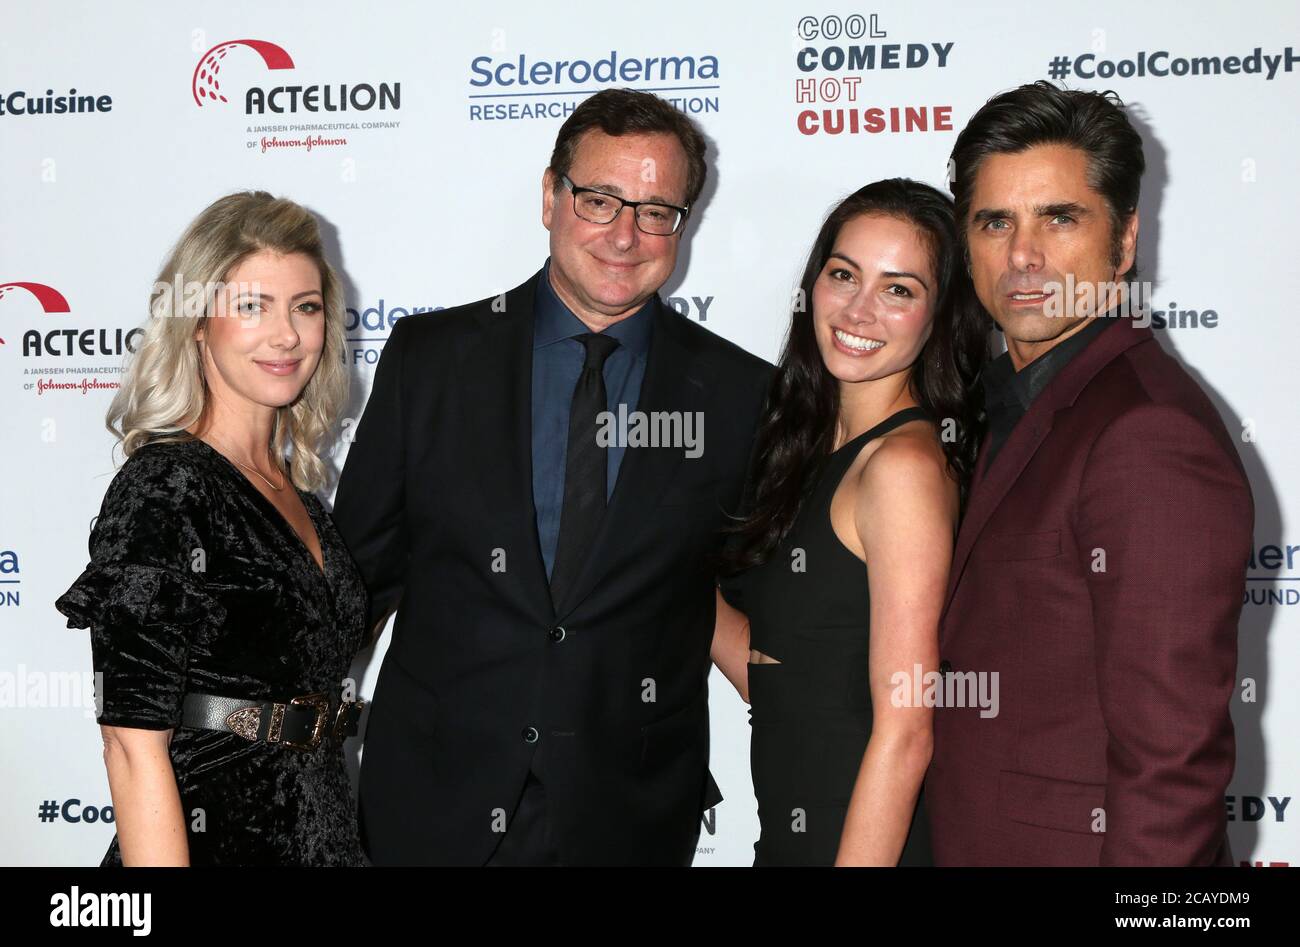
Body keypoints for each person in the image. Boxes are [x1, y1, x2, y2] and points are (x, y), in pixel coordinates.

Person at [331, 88, 774, 865]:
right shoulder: (431, 361)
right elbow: (357, 582)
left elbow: (759, 608)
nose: (625, 235)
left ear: (683, 224)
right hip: (430, 805)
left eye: (655, 210)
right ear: (550, 196)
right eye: (599, 200)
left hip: (626, 820)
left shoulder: (741, 396)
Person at [926, 80, 1253, 865]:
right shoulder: (1007, 403)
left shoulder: (1148, 434)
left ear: (1126, 237)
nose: (1023, 255)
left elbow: (1171, 770)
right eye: (995, 221)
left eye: (1060, 218)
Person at [54, 191, 369, 865]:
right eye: (252, 305)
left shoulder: (299, 494)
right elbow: (132, 746)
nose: (287, 334)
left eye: (305, 307)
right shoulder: (166, 488)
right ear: (197, 322)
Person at [715, 179, 987, 866]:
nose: (859, 310)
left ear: (939, 315)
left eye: (899, 289)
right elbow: (793, 681)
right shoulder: (811, 450)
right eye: (843, 275)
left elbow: (906, 730)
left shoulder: (901, 469)